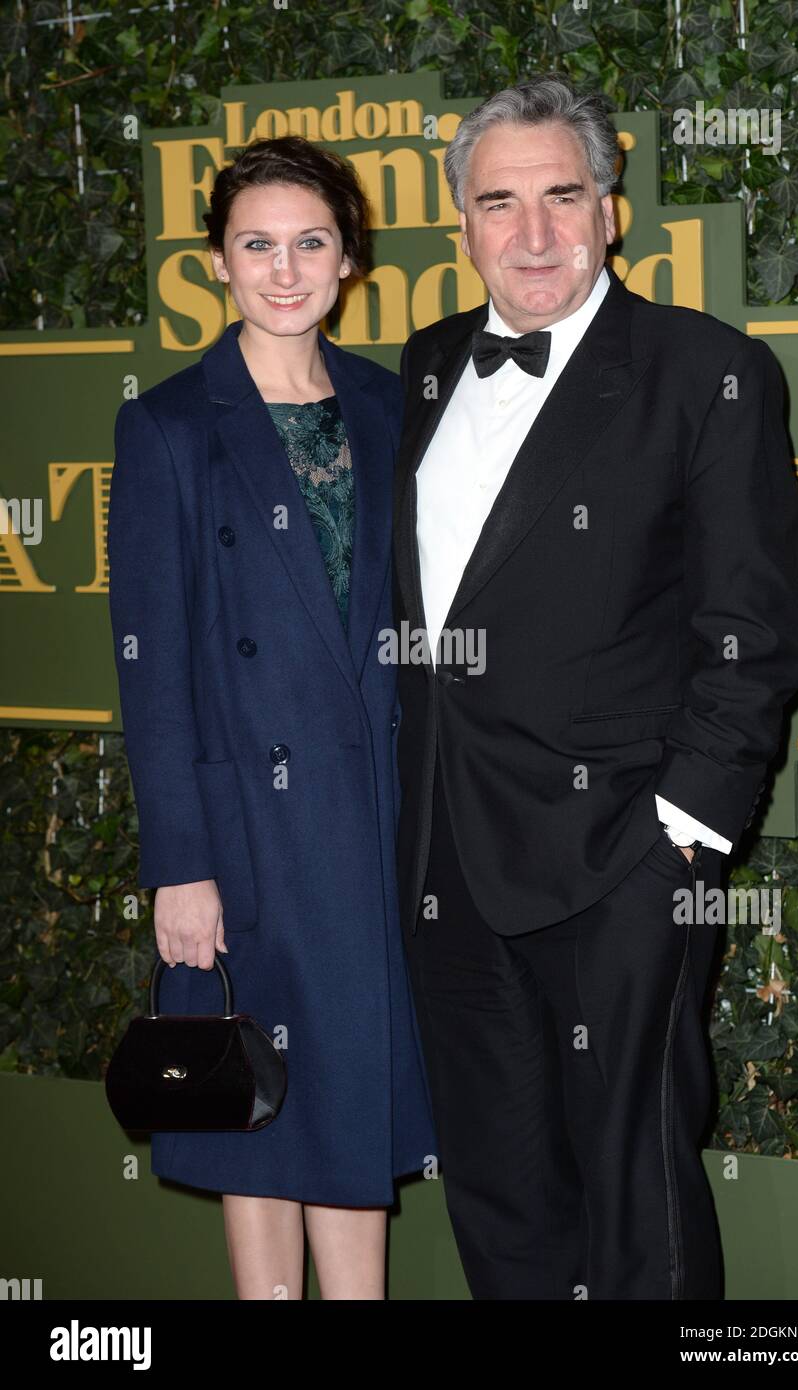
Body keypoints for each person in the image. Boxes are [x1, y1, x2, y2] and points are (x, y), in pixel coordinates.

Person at [392, 75, 798, 1299]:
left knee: (638, 1197)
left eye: (561, 197)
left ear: (610, 209)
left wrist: (681, 834)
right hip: (445, 858)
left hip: (621, 852)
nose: (532, 235)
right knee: (500, 1189)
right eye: (499, 203)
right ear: (460, 223)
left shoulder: (705, 370)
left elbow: (755, 629)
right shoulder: (420, 370)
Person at [107, 135, 437, 1300]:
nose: (284, 269)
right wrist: (180, 866)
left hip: (380, 824)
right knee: (261, 1109)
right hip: (249, 836)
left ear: (348, 258)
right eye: (257, 245)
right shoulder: (169, 427)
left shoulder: (394, 408)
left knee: (351, 1109)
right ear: (216, 261)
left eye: (309, 243)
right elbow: (151, 668)